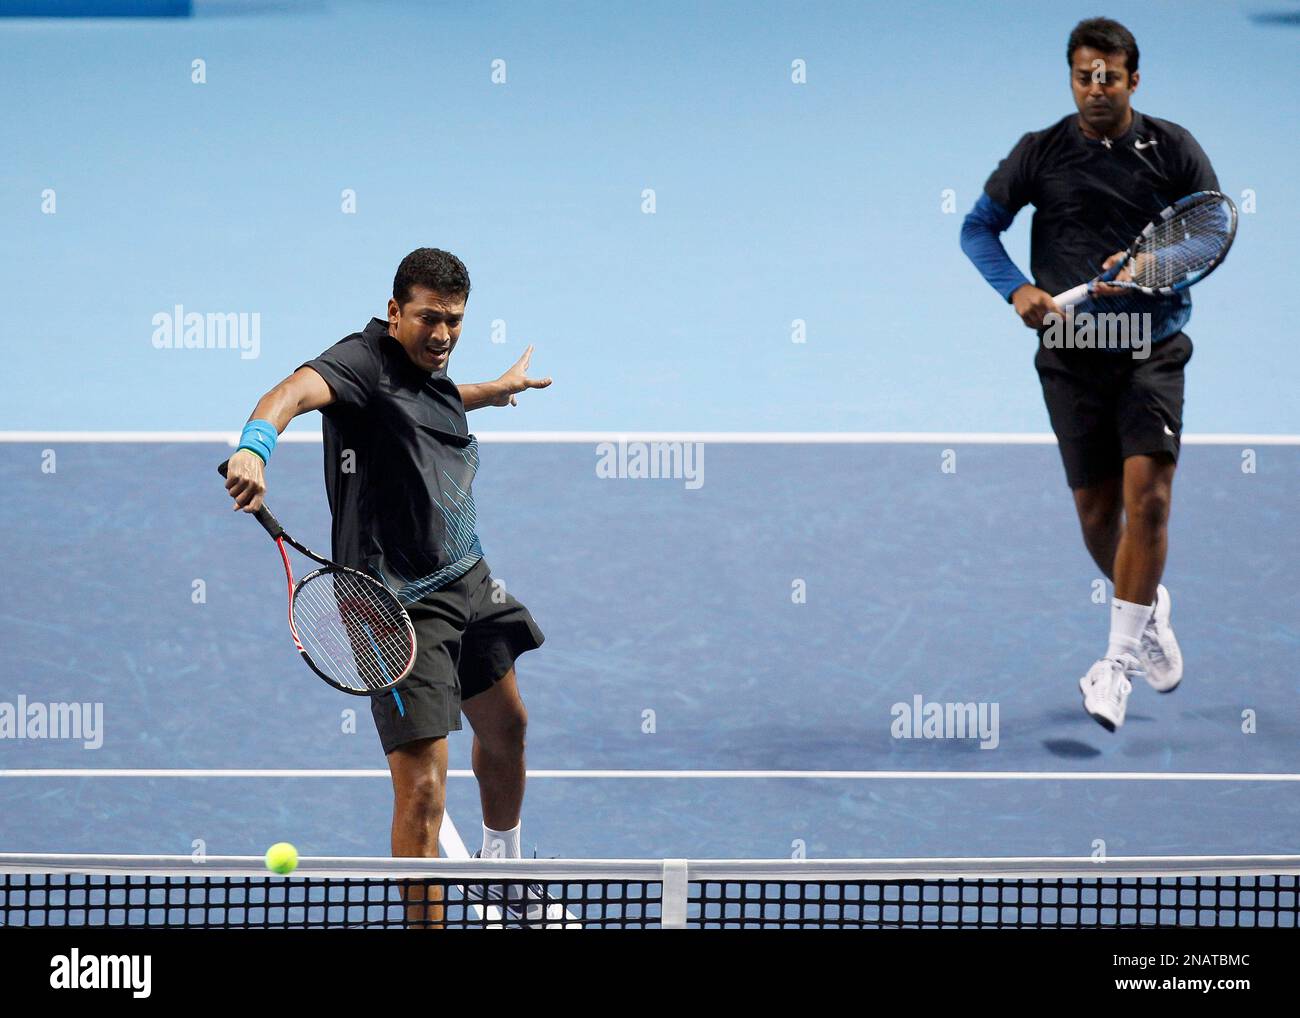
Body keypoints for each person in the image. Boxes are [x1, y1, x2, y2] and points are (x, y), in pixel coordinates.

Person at [222, 248, 552, 907]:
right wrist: (255, 447)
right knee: (424, 791)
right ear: (395, 310)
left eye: (455, 321)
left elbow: (429, 402)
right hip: (391, 604)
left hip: (464, 573)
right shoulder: (360, 362)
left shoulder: (427, 366)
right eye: (429, 317)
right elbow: (288, 392)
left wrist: (495, 390)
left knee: (508, 727)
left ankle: (503, 871)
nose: (442, 334)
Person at [959, 18, 1220, 731]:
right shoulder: (1039, 152)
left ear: (1134, 79)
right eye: (1084, 75)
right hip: (1072, 358)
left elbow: (1206, 231)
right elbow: (977, 228)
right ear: (1072, 79)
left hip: (1150, 352)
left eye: (1110, 75)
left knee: (1152, 500)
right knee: (1100, 516)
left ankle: (1114, 664)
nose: (1097, 88)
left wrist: (1139, 273)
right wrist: (1018, 289)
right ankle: (1148, 608)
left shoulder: (1173, 150)